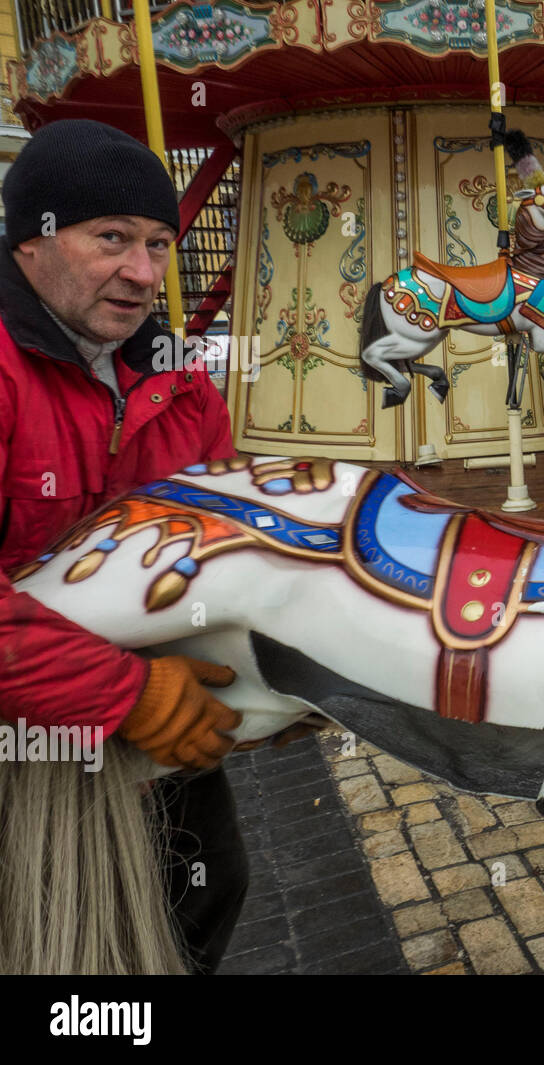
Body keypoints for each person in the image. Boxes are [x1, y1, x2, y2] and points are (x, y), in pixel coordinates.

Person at [0, 119, 248, 973]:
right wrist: (122, 694)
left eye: (158, 243)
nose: (143, 274)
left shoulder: (179, 379)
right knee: (52, 934)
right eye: (111, 238)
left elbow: (224, 537)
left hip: (153, 709)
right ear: (32, 239)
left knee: (204, 894)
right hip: (29, 731)